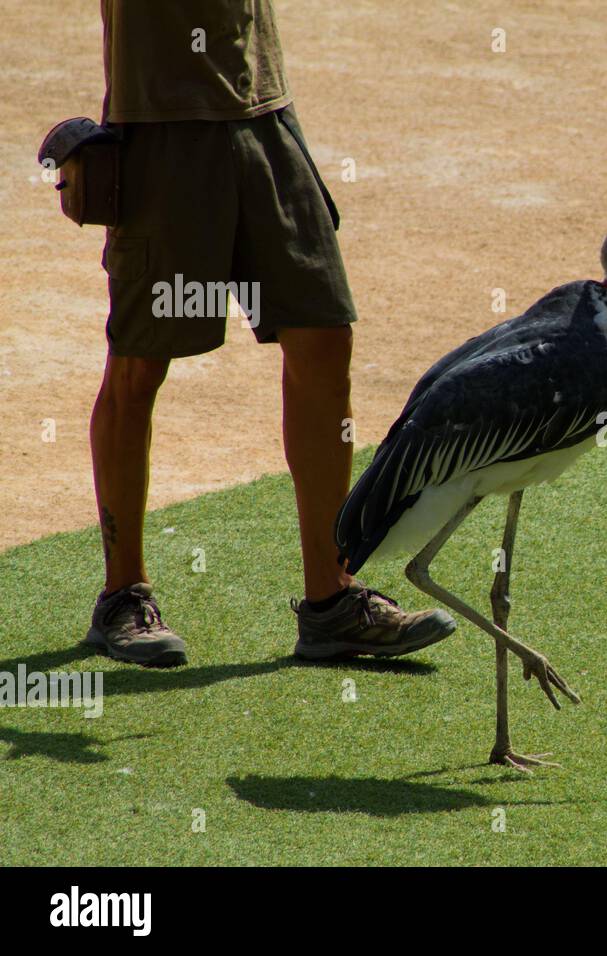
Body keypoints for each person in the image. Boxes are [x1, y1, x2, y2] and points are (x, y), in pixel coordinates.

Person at [85, 0, 454, 667]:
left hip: (264, 116)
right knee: (141, 361)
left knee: (323, 336)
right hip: (161, 125)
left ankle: (331, 602)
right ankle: (122, 596)